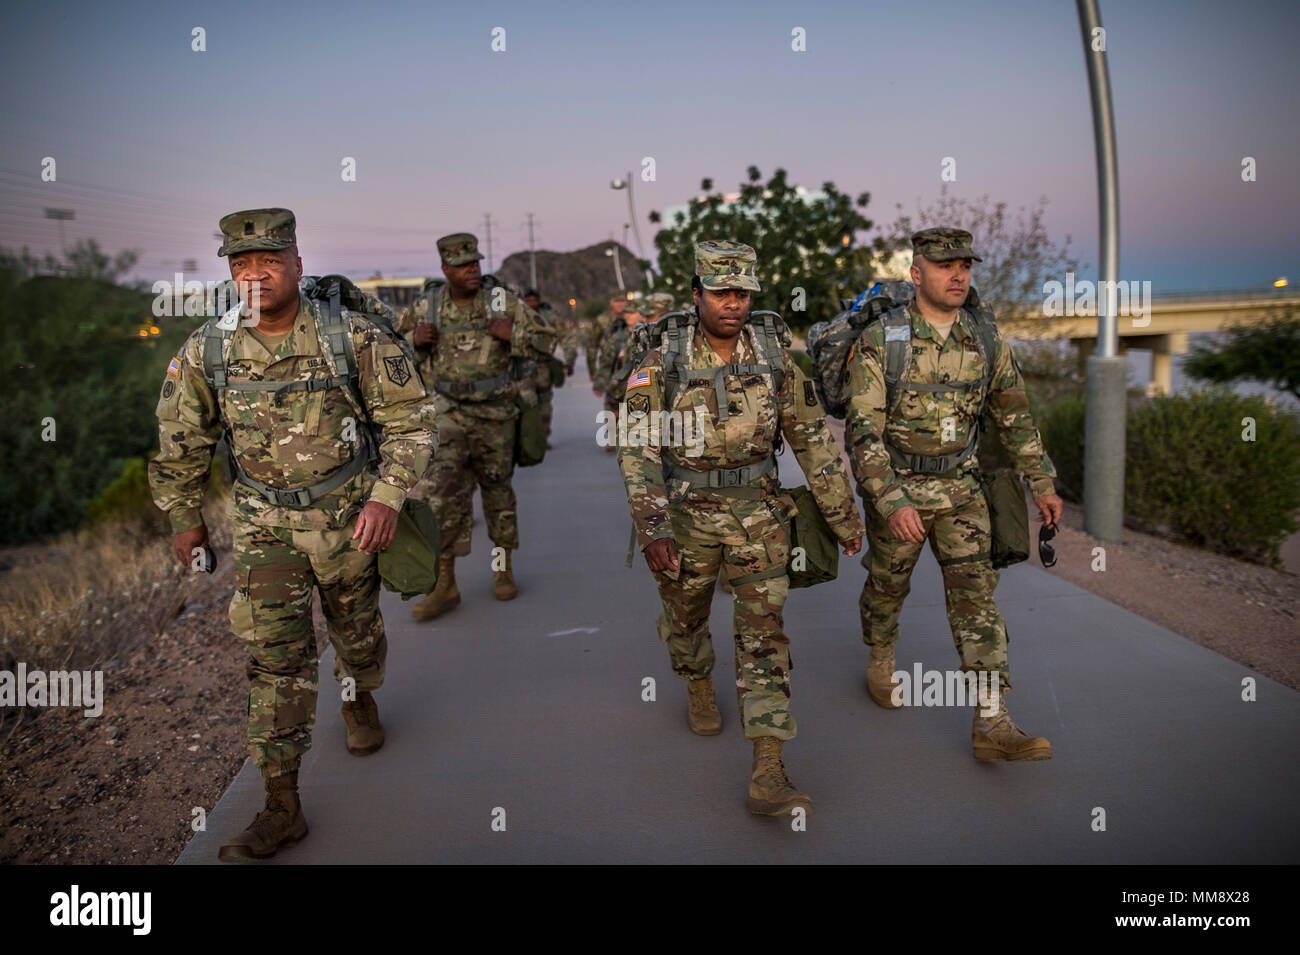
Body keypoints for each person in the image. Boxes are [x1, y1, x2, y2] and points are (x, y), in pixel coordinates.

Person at [149, 208, 437, 860]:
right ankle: (282, 806)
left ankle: (360, 694)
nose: (256, 275)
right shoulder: (209, 348)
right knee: (275, 662)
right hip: (262, 526)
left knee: (356, 634)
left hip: (347, 518)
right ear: (229, 272)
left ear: (299, 265)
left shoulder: (352, 337)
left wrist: (389, 497)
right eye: (242, 264)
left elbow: (413, 420)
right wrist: (184, 515)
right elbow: (179, 437)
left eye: (269, 261)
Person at [619, 240, 865, 817]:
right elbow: (637, 447)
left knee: (764, 638)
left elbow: (812, 439)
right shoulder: (664, 358)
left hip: (759, 515)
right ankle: (696, 676)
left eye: (743, 293)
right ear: (697, 293)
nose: (733, 303)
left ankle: (769, 767)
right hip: (683, 514)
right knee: (687, 615)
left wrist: (842, 515)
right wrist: (652, 526)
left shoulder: (775, 354)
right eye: (721, 292)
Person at [845, 227, 1064, 760]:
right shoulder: (882, 341)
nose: (958, 274)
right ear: (916, 273)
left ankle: (993, 721)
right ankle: (880, 651)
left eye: (965, 264)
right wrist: (891, 501)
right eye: (944, 265)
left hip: (964, 492)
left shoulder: (986, 340)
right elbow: (862, 431)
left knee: (976, 600)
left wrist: (1041, 480)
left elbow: (1014, 416)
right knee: (887, 586)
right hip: (897, 488)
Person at [396, 233, 555, 617]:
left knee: (497, 492)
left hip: (495, 413)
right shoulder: (428, 305)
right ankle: (445, 584)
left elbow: (549, 342)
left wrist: (512, 334)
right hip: (447, 412)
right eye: (464, 265)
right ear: (445, 269)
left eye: (476, 263)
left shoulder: (500, 301)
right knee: (440, 495)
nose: (472, 270)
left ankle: (503, 571)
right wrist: (413, 339)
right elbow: (389, 353)